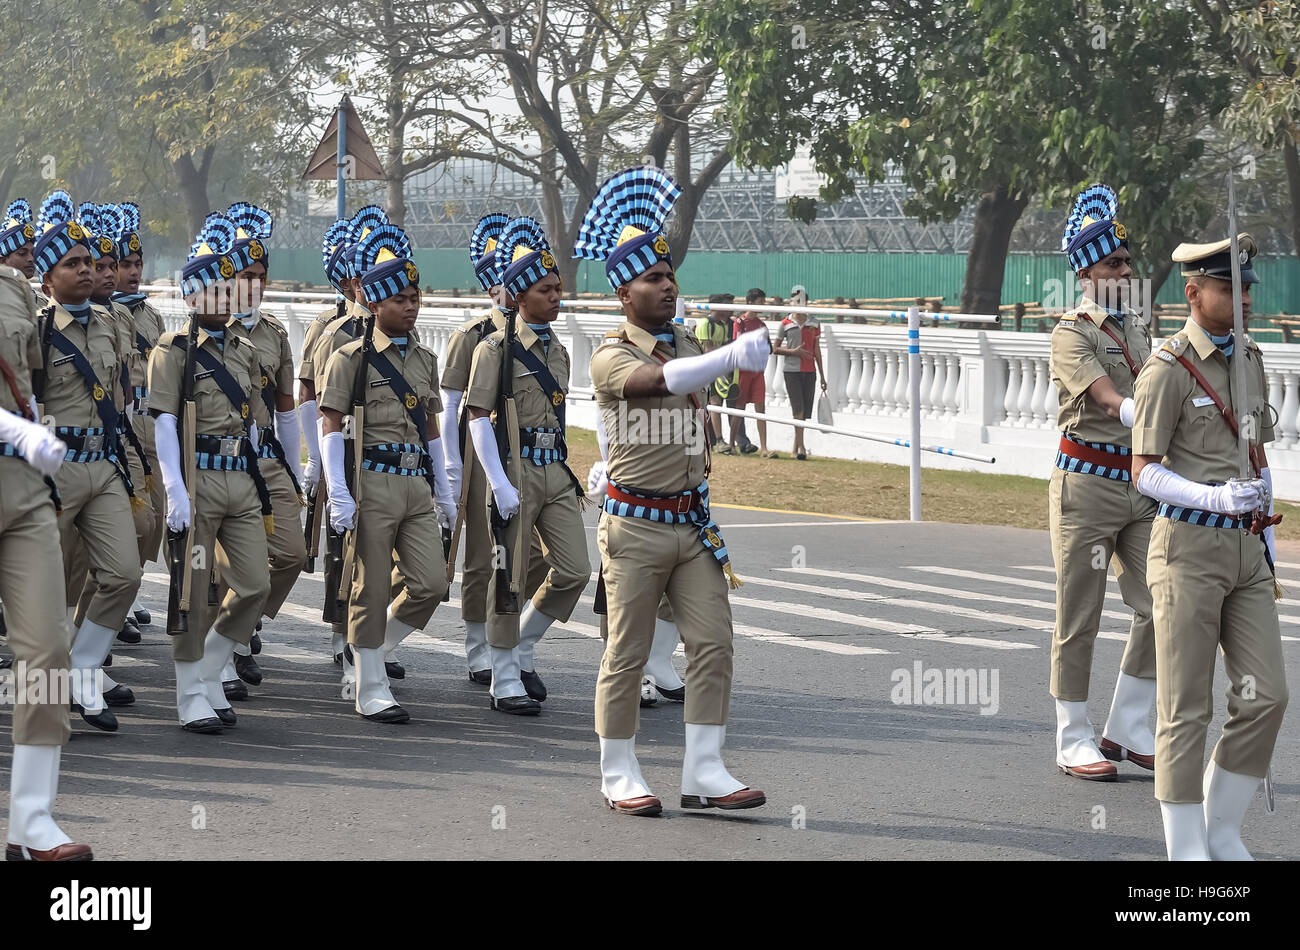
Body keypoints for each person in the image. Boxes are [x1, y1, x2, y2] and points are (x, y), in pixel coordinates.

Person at [575, 165, 768, 815]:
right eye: (652, 278)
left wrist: (743, 361)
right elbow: (660, 383)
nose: (667, 285)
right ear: (622, 291)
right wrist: (733, 355)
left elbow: (692, 386)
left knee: (713, 642)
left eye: (669, 275)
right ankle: (619, 768)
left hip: (691, 523)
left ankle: (704, 769)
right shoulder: (610, 354)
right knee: (625, 653)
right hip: (634, 527)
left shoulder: (685, 338)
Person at [1131, 232, 1287, 860]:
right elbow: (1143, 469)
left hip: (1246, 553)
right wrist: (1213, 497)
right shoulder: (1166, 369)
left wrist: (1259, 497)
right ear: (1193, 294)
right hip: (1188, 550)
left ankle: (1223, 830)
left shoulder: (1249, 356)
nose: (1242, 296)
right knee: (1184, 707)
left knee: (1266, 696)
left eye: (1246, 286)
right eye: (1229, 287)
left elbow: (1257, 448)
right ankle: (1186, 849)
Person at [319, 223, 455, 723]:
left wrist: (445, 487)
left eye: (415, 297)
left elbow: (432, 428)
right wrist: (337, 492)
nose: (411, 306)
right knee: (369, 587)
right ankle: (371, 686)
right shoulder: (348, 359)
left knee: (432, 582)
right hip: (371, 481)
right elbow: (330, 426)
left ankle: (370, 651)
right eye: (400, 298)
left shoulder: (424, 359)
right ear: (374, 304)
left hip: (415, 482)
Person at [1048, 184, 1158, 782]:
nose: (1126, 268)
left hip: (1140, 487)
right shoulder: (1073, 331)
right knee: (1079, 614)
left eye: (1126, 259)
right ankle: (1073, 736)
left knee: (1161, 604)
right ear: (1087, 271)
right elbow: (1109, 398)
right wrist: (1145, 415)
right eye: (1114, 262)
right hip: (1087, 486)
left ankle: (1129, 726)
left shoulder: (1138, 327)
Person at [148, 212, 272, 733]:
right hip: (196, 477)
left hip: (240, 479)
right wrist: (174, 488)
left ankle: (210, 669)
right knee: (192, 590)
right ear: (192, 298)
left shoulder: (244, 350)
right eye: (214, 292)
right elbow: (164, 421)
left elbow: (258, 415)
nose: (226, 299)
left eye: (230, 289)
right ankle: (188, 695)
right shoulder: (173, 351)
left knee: (254, 586)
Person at [465, 215, 591, 715]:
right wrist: (497, 481)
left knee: (575, 570)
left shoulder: (557, 350)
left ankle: (522, 642)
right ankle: (504, 677)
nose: (557, 297)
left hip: (554, 469)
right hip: (514, 469)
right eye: (546, 290)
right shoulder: (495, 348)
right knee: (508, 575)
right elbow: (476, 415)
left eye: (559, 288)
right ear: (519, 296)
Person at [31, 191, 142, 733]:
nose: (84, 270)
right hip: (53, 470)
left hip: (104, 465)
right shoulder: (38, 330)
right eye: (70, 264)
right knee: (46, 587)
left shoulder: (113, 322)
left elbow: (122, 393)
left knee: (123, 573)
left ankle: (82, 667)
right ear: (47, 279)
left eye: (87, 261)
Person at [1, 256, 92, 861]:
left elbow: (31, 383)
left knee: (47, 653)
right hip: (17, 448)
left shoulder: (13, 290)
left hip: (21, 489)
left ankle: (31, 821)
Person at [443, 212, 552, 688]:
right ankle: (479, 649)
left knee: (537, 557)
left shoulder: (539, 339)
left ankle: (508, 635)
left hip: (528, 460)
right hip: (479, 456)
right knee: (483, 556)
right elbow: (452, 408)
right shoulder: (473, 338)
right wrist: (451, 467)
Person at [217, 202, 307, 698]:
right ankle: (224, 653)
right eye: (240, 275)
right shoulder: (207, 332)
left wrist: (297, 474)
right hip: (221, 461)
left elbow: (287, 408)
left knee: (292, 554)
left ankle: (247, 621)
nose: (249, 284)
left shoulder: (274, 334)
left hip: (267, 459)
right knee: (224, 565)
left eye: (258, 276)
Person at [110, 202, 167, 633]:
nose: (132, 272)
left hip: (152, 422)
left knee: (156, 519)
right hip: (123, 424)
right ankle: (117, 604)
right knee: (132, 517)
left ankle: (134, 590)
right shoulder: (106, 314)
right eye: (123, 264)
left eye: (136, 263)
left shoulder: (151, 313)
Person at [773, 284, 825, 460]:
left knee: (804, 411)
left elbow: (817, 350)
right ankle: (801, 446)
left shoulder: (814, 323)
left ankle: (795, 447)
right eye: (795, 301)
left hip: (810, 370)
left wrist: (823, 375)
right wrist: (793, 352)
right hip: (792, 370)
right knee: (798, 409)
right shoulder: (785, 324)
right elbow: (775, 348)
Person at [733, 288, 776, 457]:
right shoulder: (739, 322)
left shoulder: (761, 325)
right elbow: (738, 346)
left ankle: (764, 447)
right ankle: (731, 443)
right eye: (760, 303)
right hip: (743, 370)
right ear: (750, 302)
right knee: (739, 408)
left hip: (757, 371)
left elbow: (769, 348)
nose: (763, 306)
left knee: (760, 408)